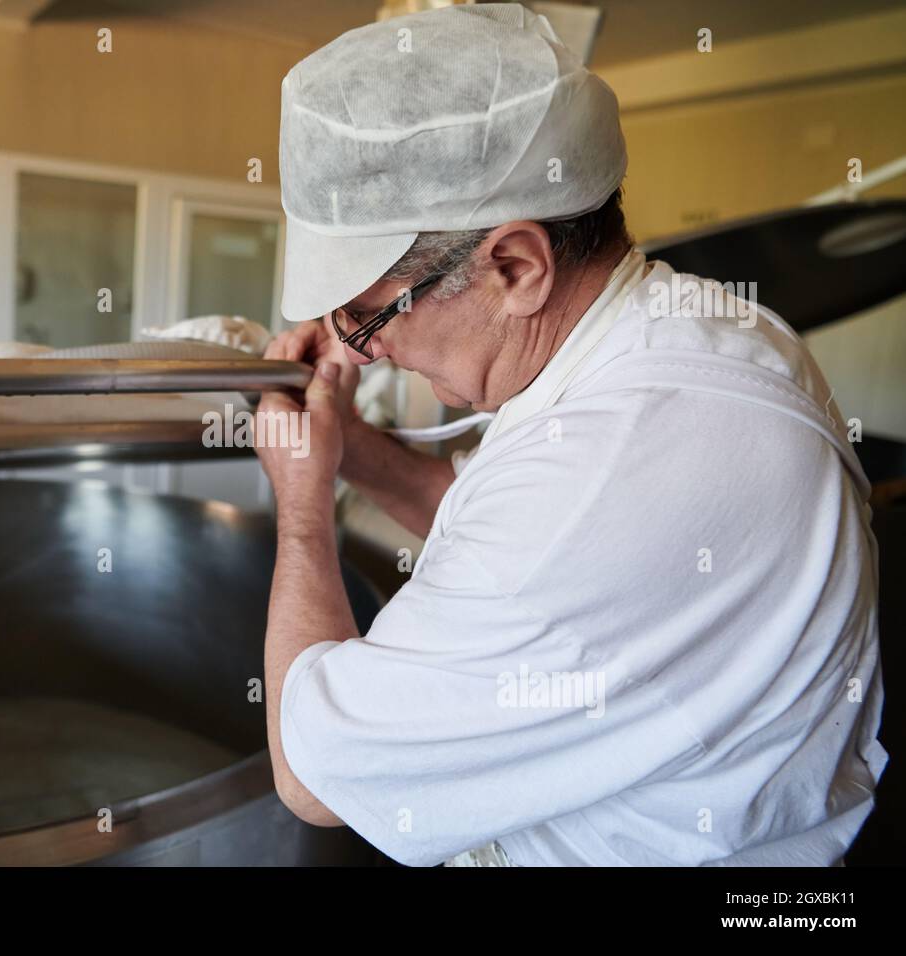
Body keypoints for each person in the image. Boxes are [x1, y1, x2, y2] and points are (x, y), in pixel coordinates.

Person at [254, 2, 887, 867]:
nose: (374, 354)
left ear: (516, 267)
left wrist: (300, 509)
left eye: (369, 318)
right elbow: (482, 519)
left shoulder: (605, 477)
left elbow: (313, 778)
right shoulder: (708, 327)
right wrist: (343, 449)